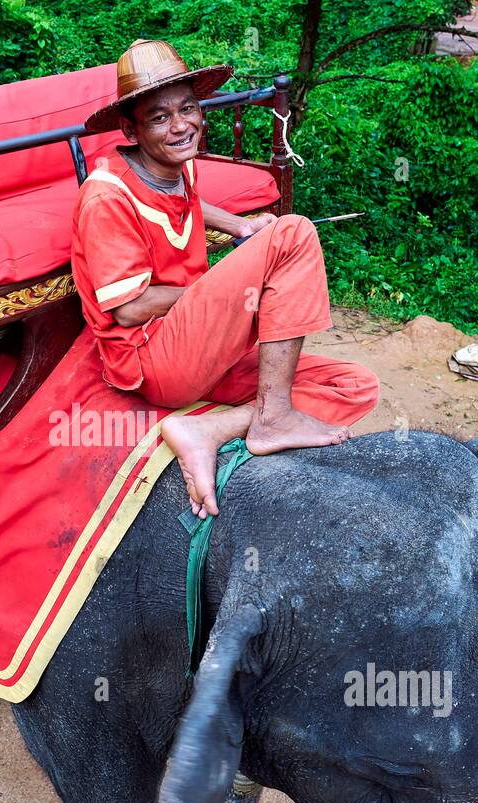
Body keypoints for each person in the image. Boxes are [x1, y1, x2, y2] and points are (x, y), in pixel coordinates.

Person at [71, 39, 380, 518]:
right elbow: (128, 307)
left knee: (354, 386)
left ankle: (212, 429)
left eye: (188, 109)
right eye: (160, 117)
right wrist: (217, 297)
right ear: (131, 128)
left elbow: (186, 201)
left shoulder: (176, 164)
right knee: (291, 233)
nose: (181, 126)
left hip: (201, 352)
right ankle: (271, 419)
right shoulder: (106, 197)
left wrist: (238, 226)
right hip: (154, 358)